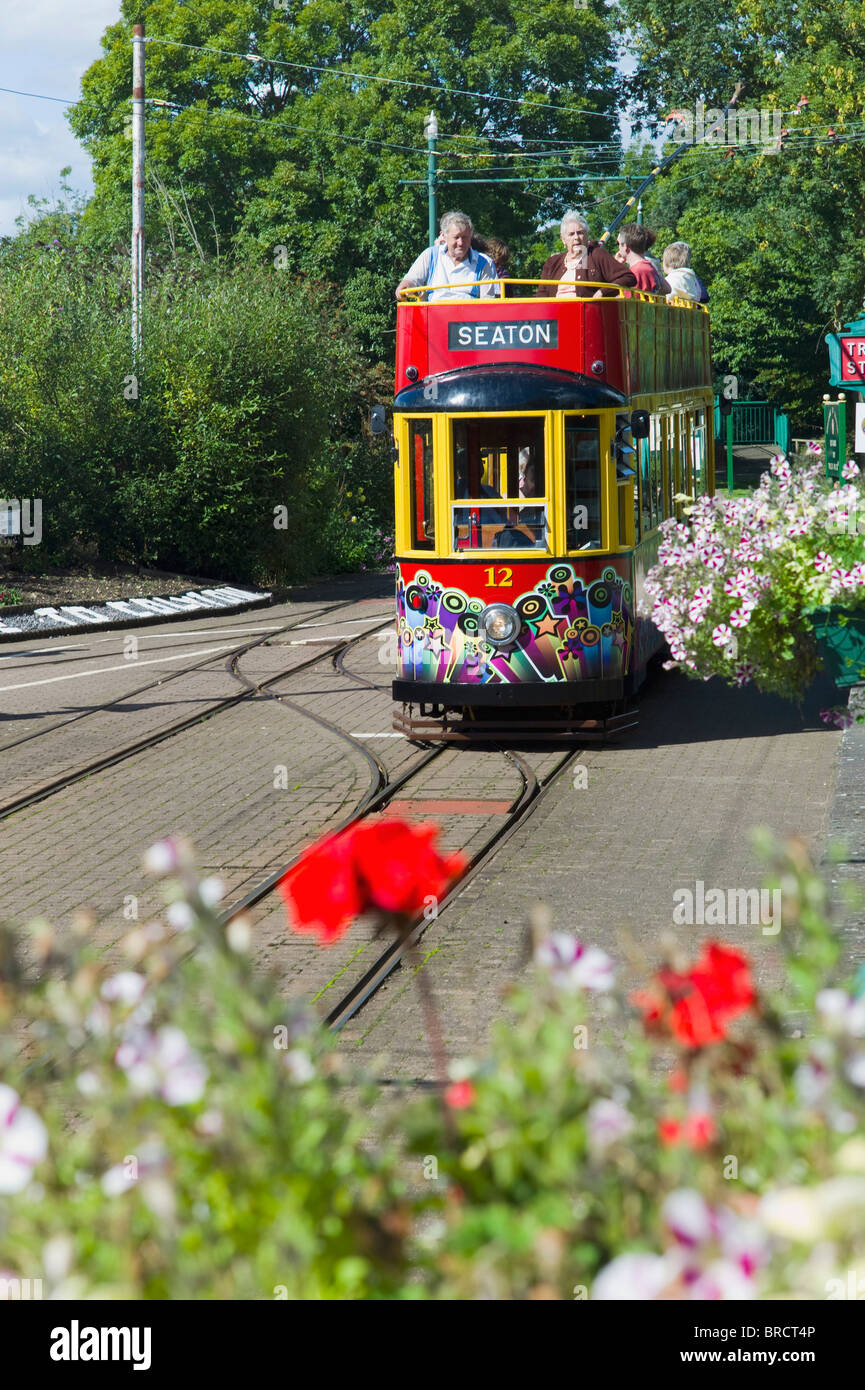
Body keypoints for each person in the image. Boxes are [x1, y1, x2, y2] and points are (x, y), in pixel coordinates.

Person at [396, 211, 497, 302]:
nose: (461, 243)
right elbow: (411, 279)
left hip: (468, 320)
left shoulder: (483, 263)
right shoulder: (431, 255)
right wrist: (404, 287)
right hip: (434, 318)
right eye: (456, 237)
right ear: (444, 236)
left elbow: (488, 302)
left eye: (465, 238)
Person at [536, 212, 636, 298]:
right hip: (556, 316)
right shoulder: (552, 262)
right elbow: (541, 297)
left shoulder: (597, 255)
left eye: (580, 233)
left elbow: (628, 277)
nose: (576, 238)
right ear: (563, 239)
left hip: (587, 316)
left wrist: (603, 292)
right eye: (571, 234)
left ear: (587, 235)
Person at [616, 224, 671, 294]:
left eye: (618, 243)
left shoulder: (636, 272)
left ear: (625, 246)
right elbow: (667, 289)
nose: (618, 247)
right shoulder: (649, 267)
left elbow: (622, 301)